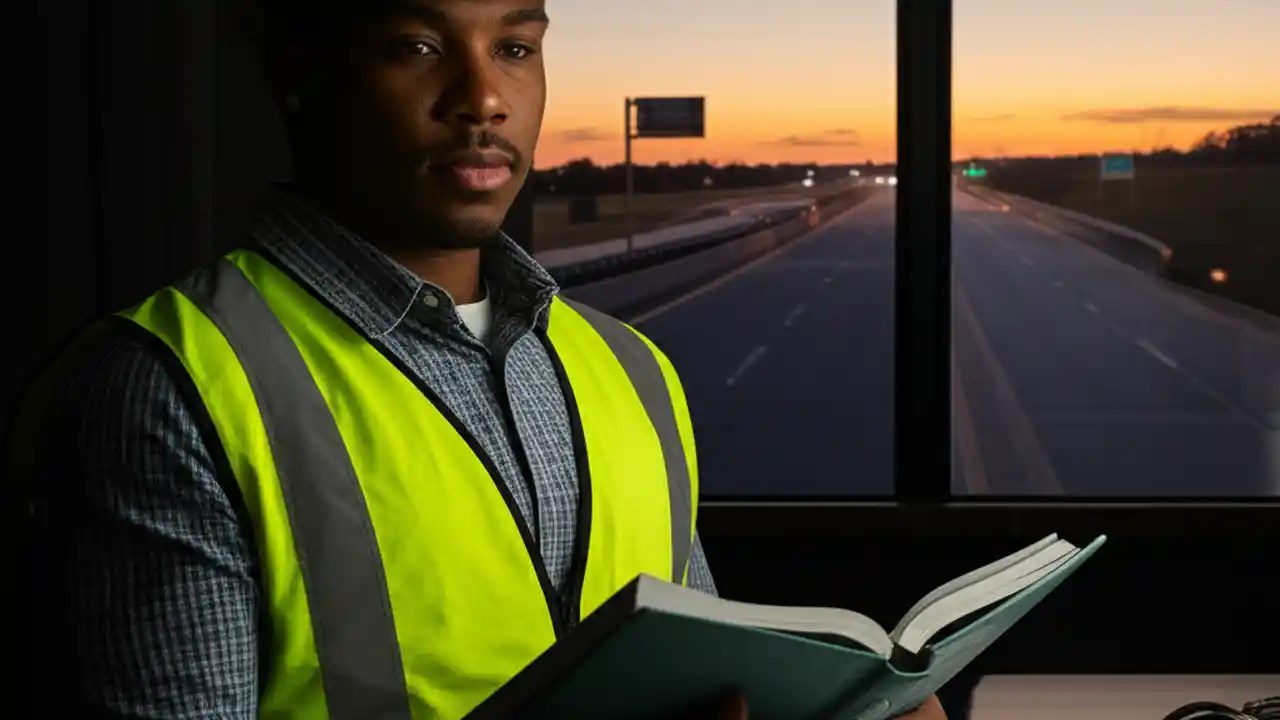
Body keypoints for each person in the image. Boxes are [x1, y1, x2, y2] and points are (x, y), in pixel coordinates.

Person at [11, 1, 945, 718]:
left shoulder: (633, 371)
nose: (483, 97)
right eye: (417, 46)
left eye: (516, 46)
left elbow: (699, 685)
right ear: (300, 70)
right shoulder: (171, 384)